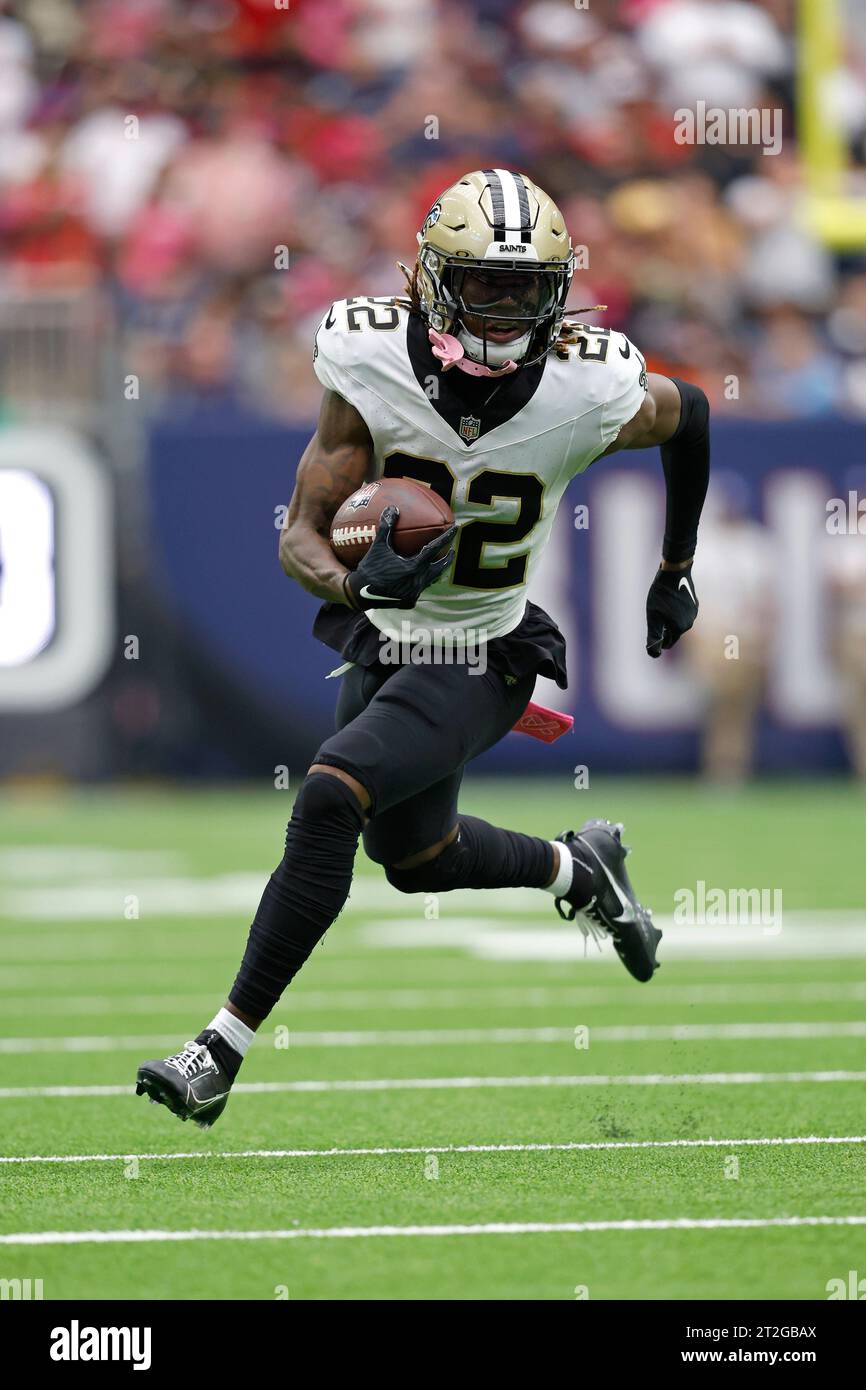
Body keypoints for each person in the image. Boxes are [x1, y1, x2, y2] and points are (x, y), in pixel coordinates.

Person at [136, 169, 710, 1128]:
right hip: (387, 640)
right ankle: (583, 867)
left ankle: (217, 1052)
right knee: (418, 857)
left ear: (559, 290)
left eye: (525, 287)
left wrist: (676, 565)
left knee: (328, 796)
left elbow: (691, 415)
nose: (505, 305)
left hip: (485, 651)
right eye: (483, 282)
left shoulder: (587, 382)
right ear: (432, 279)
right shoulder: (371, 363)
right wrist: (358, 584)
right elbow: (300, 536)